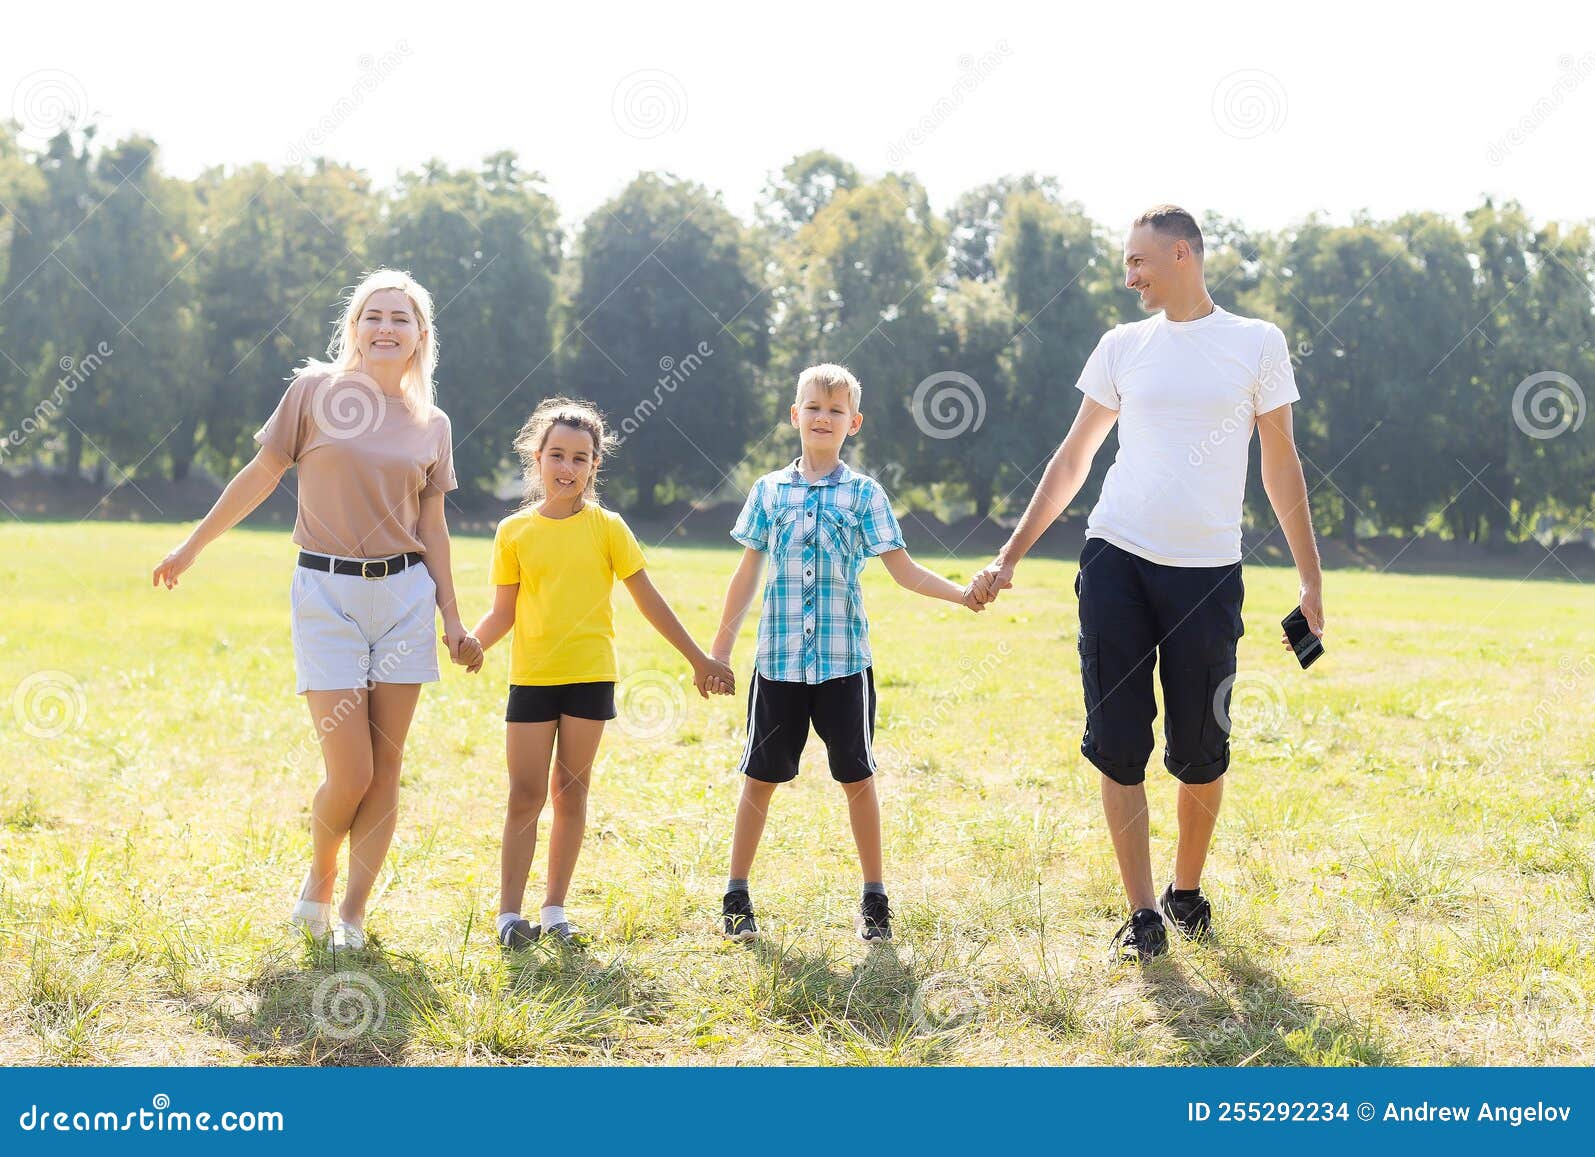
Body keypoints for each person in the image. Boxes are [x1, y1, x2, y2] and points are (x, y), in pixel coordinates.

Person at [970, 206, 1325, 962]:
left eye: (1139, 261)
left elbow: (1280, 462)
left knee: (1202, 747)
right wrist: (1011, 553)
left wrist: (1310, 577)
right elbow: (1074, 458)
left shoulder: (1257, 342)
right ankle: (1141, 915)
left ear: (1182, 254)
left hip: (1208, 575)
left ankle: (1184, 890)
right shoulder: (1122, 346)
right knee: (1117, 741)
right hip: (1117, 559)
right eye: (1126, 262)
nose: (1129, 276)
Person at [152, 269, 471, 952]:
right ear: (354, 327)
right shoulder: (314, 393)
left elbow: (434, 527)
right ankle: (319, 882)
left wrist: (452, 616)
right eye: (373, 315)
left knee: (386, 770)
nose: (386, 327)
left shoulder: (433, 423)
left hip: (405, 597)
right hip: (326, 594)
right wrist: (192, 545)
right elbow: (261, 474)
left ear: (421, 335)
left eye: (401, 318)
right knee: (351, 772)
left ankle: (352, 915)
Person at [708, 364, 985, 945]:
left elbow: (903, 570)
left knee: (858, 777)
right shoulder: (768, 491)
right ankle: (736, 893)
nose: (823, 418)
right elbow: (746, 574)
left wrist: (961, 594)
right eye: (813, 407)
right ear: (795, 415)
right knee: (759, 777)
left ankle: (874, 898)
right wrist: (720, 650)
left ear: (853, 423)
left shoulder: (864, 495)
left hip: (843, 666)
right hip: (778, 664)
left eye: (836, 411)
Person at [459, 398, 735, 949]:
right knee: (525, 794)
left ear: (594, 465)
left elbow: (648, 599)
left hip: (589, 678)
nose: (567, 467)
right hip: (532, 679)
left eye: (580, 458)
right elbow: (502, 612)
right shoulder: (513, 531)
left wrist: (698, 658)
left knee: (570, 791)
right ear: (536, 458)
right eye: (557, 455)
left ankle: (554, 910)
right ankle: (509, 916)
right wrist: (474, 643)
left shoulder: (608, 528)